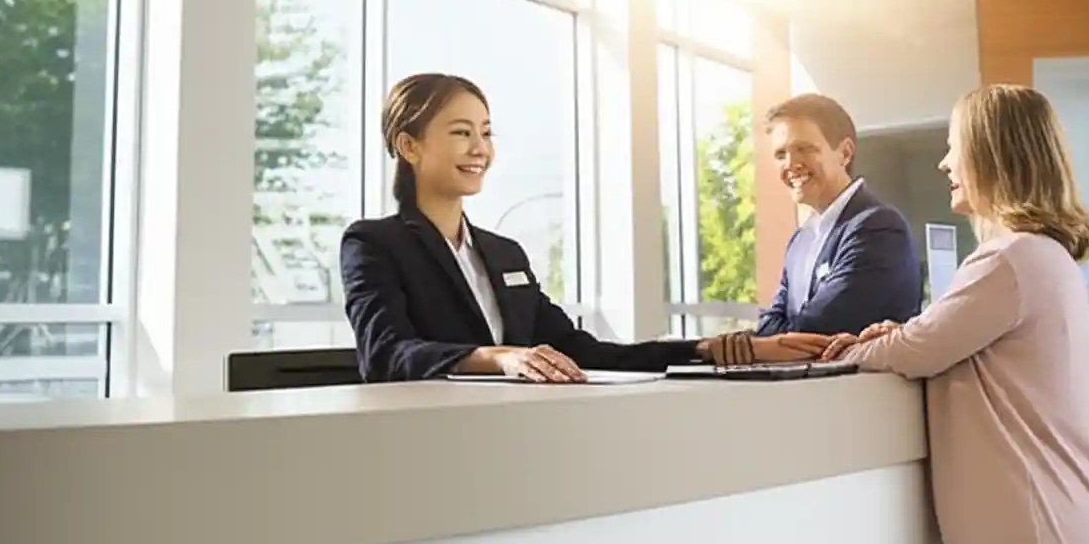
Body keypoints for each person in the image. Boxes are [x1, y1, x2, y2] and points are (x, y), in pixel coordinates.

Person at [340, 73, 831, 382]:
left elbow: (582, 351)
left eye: (486, 133)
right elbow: (386, 354)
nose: (480, 149)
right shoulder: (373, 243)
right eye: (461, 133)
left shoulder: (503, 253)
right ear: (409, 146)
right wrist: (499, 358)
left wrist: (720, 348)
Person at [821, 84, 1089, 544]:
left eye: (954, 146)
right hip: (1066, 526)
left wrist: (848, 350)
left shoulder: (1010, 257)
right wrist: (898, 337)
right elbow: (935, 337)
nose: (945, 164)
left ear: (993, 155)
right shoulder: (1043, 256)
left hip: (1037, 537)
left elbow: (916, 349)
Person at [755, 94, 920, 337]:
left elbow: (817, 331)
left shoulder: (877, 228)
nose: (791, 163)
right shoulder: (800, 241)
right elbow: (769, 325)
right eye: (781, 154)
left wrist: (770, 342)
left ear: (845, 153)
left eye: (804, 149)